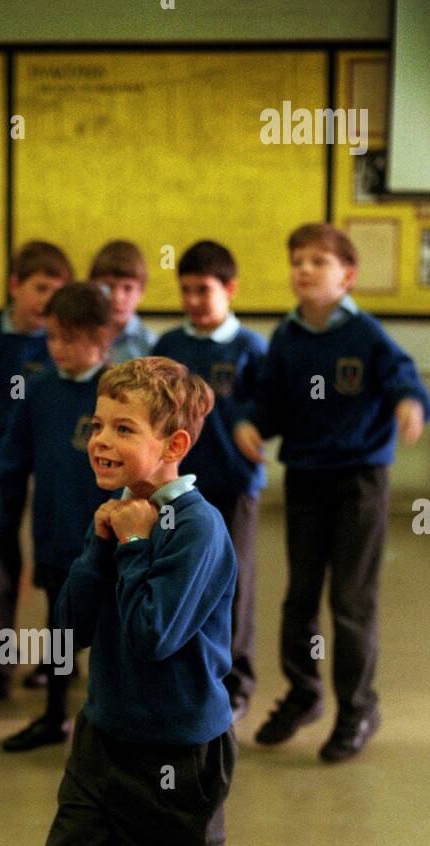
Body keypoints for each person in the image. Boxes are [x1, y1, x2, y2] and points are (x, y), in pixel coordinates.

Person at [0, 356, 287, 846]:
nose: (100, 439)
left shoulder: (199, 529)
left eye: (125, 428)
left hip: (180, 747)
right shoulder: (117, 512)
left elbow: (154, 636)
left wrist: (137, 542)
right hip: (103, 737)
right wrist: (102, 540)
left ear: (174, 445)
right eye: (97, 424)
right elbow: (71, 628)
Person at [234, 223, 430, 761]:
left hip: (358, 483)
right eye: (297, 260)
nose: (304, 269)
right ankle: (304, 692)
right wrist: (251, 421)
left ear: (346, 276)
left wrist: (411, 404)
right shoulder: (288, 337)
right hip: (305, 479)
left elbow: (404, 379)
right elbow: (269, 398)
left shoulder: (365, 335)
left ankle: (357, 708)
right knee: (300, 597)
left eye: (318, 261)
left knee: (349, 600)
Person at [0, 282, 114, 751]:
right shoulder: (38, 390)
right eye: (52, 338)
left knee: (112, 636)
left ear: (102, 338)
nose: (59, 349)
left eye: (70, 339)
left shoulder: (117, 392)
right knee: (59, 632)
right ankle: (55, 716)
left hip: (110, 544)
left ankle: (112, 728)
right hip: (53, 541)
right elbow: (10, 471)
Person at [152, 240, 267, 722]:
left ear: (231, 289)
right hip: (177, 488)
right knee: (178, 579)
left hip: (232, 485)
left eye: (204, 290)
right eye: (186, 290)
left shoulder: (250, 349)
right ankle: (182, 672)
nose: (194, 299)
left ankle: (234, 680)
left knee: (233, 581)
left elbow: (271, 404)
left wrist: (248, 418)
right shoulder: (169, 348)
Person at [0, 240, 73, 700]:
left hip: (51, 463)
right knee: (1, 566)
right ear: (15, 286)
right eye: (40, 288)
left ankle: (58, 663)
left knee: (59, 562)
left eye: (55, 291)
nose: (47, 301)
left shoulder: (57, 343)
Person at [89, 239, 156, 363]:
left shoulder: (152, 346)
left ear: (141, 292)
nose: (117, 297)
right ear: (93, 287)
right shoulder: (80, 337)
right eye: (108, 287)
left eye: (128, 288)